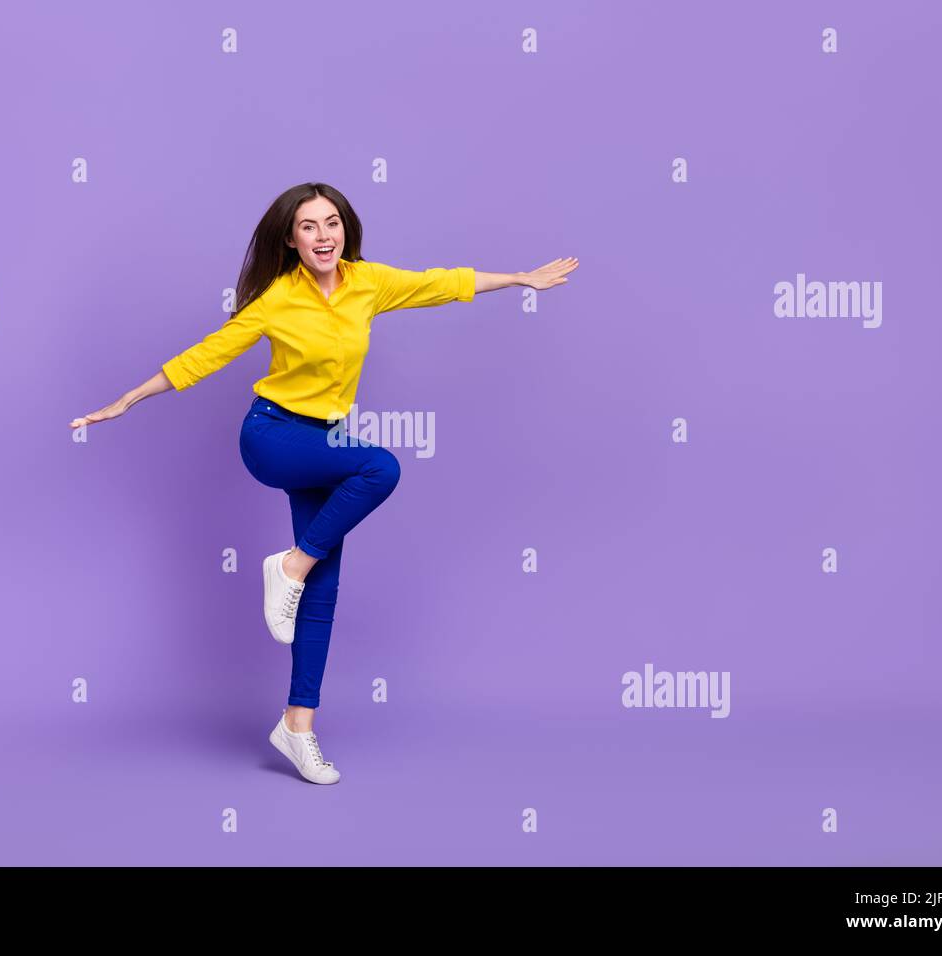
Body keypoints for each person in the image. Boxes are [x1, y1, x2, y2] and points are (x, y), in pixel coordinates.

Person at [70, 182, 577, 784]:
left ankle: (297, 727)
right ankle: (287, 566)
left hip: (325, 440)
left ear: (345, 228)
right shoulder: (278, 298)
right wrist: (128, 398)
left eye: (331, 223)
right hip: (273, 437)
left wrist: (521, 278)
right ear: (291, 239)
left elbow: (442, 283)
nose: (323, 236)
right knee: (381, 467)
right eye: (308, 227)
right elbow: (206, 354)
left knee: (324, 586)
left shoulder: (368, 282)